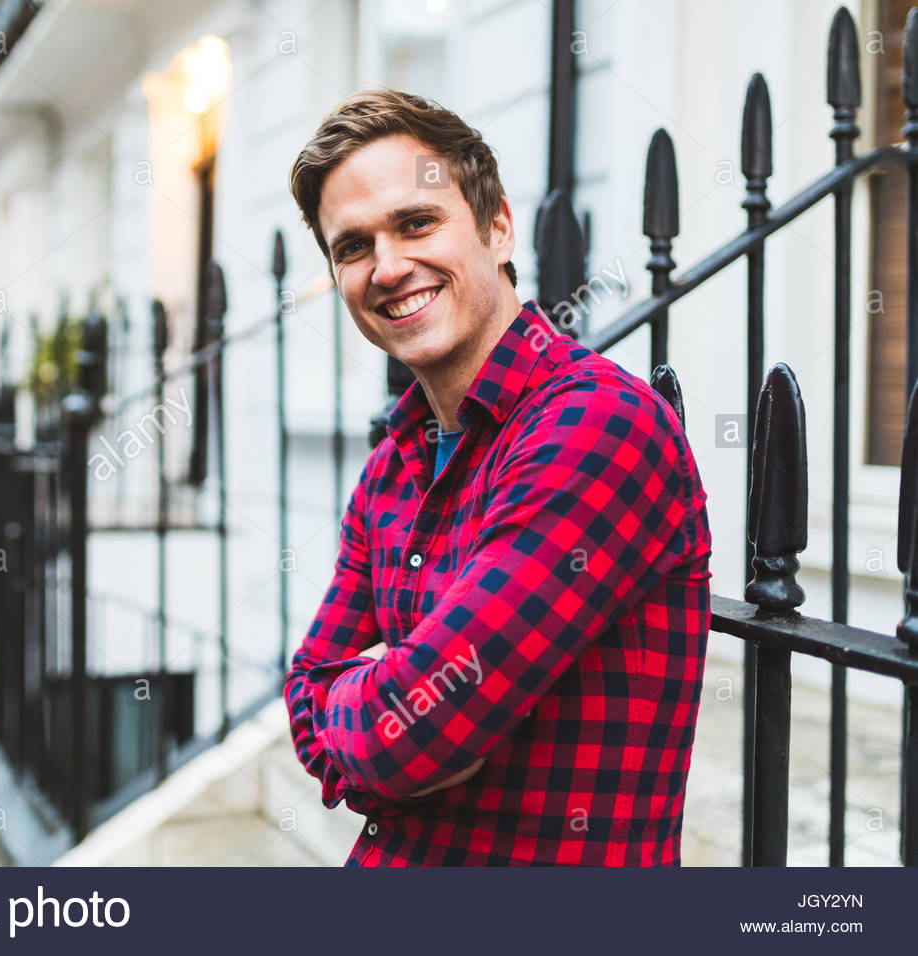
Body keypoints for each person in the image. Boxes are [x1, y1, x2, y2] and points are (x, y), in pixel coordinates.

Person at [283, 88, 712, 866]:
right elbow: (309, 688)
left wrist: (392, 717)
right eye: (352, 247)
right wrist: (384, 717)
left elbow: (407, 736)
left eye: (417, 223)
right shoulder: (392, 466)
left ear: (499, 227)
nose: (387, 268)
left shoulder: (596, 429)